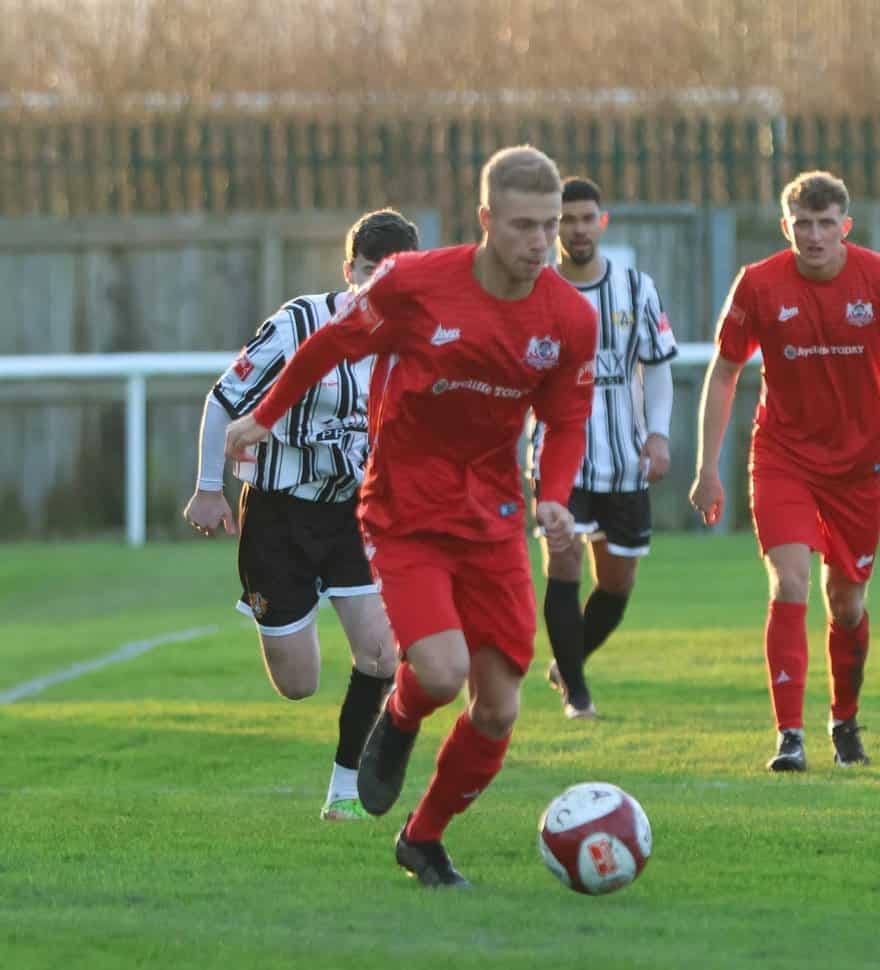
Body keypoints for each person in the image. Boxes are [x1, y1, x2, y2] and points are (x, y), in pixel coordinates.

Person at [225, 145, 597, 887]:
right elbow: (331, 341)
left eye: (550, 226)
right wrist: (263, 417)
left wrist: (553, 493)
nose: (538, 243)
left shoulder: (569, 317)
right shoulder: (417, 285)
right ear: (486, 219)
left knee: (498, 709)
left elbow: (567, 421)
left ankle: (422, 839)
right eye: (523, 225)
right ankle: (398, 717)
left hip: (490, 516)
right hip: (404, 507)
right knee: (442, 666)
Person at [689, 170, 880, 772]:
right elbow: (725, 371)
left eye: (825, 224)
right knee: (790, 582)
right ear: (785, 227)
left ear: (845, 227)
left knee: (847, 604)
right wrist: (708, 467)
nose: (813, 235)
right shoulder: (757, 284)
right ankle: (789, 736)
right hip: (782, 456)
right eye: (802, 224)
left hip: (859, 468)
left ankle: (844, 720)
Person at [184, 208, 418, 822]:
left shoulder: (420, 337)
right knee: (299, 683)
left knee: (381, 655)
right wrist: (208, 488)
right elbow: (224, 398)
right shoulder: (300, 324)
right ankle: (289, 615)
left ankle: (346, 789)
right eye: (369, 272)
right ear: (349, 270)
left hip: (353, 515)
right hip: (278, 517)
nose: (378, 287)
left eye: (394, 274)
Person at [529, 176, 678, 719]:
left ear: (602, 222)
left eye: (586, 218)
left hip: (624, 457)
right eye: (566, 220)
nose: (577, 229)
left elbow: (657, 366)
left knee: (617, 581)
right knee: (563, 562)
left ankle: (566, 662)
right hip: (557, 454)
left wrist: (657, 433)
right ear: (552, 229)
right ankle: (578, 694)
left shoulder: (636, 288)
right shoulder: (536, 289)